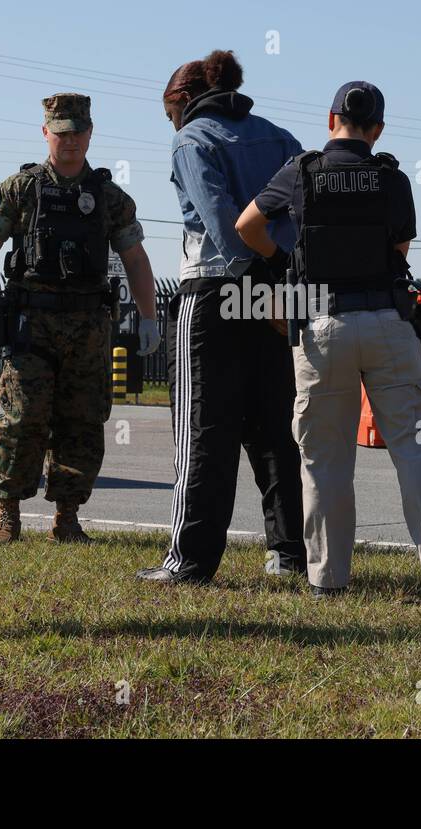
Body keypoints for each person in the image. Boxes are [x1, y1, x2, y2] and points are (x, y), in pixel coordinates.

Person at [236, 81, 421, 607]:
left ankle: (328, 578)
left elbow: (247, 225)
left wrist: (287, 265)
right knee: (415, 453)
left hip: (322, 327)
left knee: (323, 460)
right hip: (388, 326)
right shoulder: (391, 178)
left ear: (330, 121)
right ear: (378, 130)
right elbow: (398, 248)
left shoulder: (300, 172)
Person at [136, 49, 307, 585]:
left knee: (203, 428)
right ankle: (289, 555)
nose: (171, 123)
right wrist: (281, 284)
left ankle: (189, 561)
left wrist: (247, 272)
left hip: (213, 288)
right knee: (276, 428)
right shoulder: (282, 139)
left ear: (183, 102)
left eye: (169, 113)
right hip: (278, 294)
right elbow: (303, 217)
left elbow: (223, 224)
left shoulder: (191, 138)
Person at [0, 93, 159, 545]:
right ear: (45, 132)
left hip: (89, 326)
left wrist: (148, 318)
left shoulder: (109, 197)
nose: (70, 141)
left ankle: (67, 518)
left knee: (82, 421)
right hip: (31, 323)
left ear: (90, 134)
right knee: (20, 418)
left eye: (78, 132)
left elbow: (136, 258)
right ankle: (7, 516)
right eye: (61, 132)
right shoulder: (21, 188)